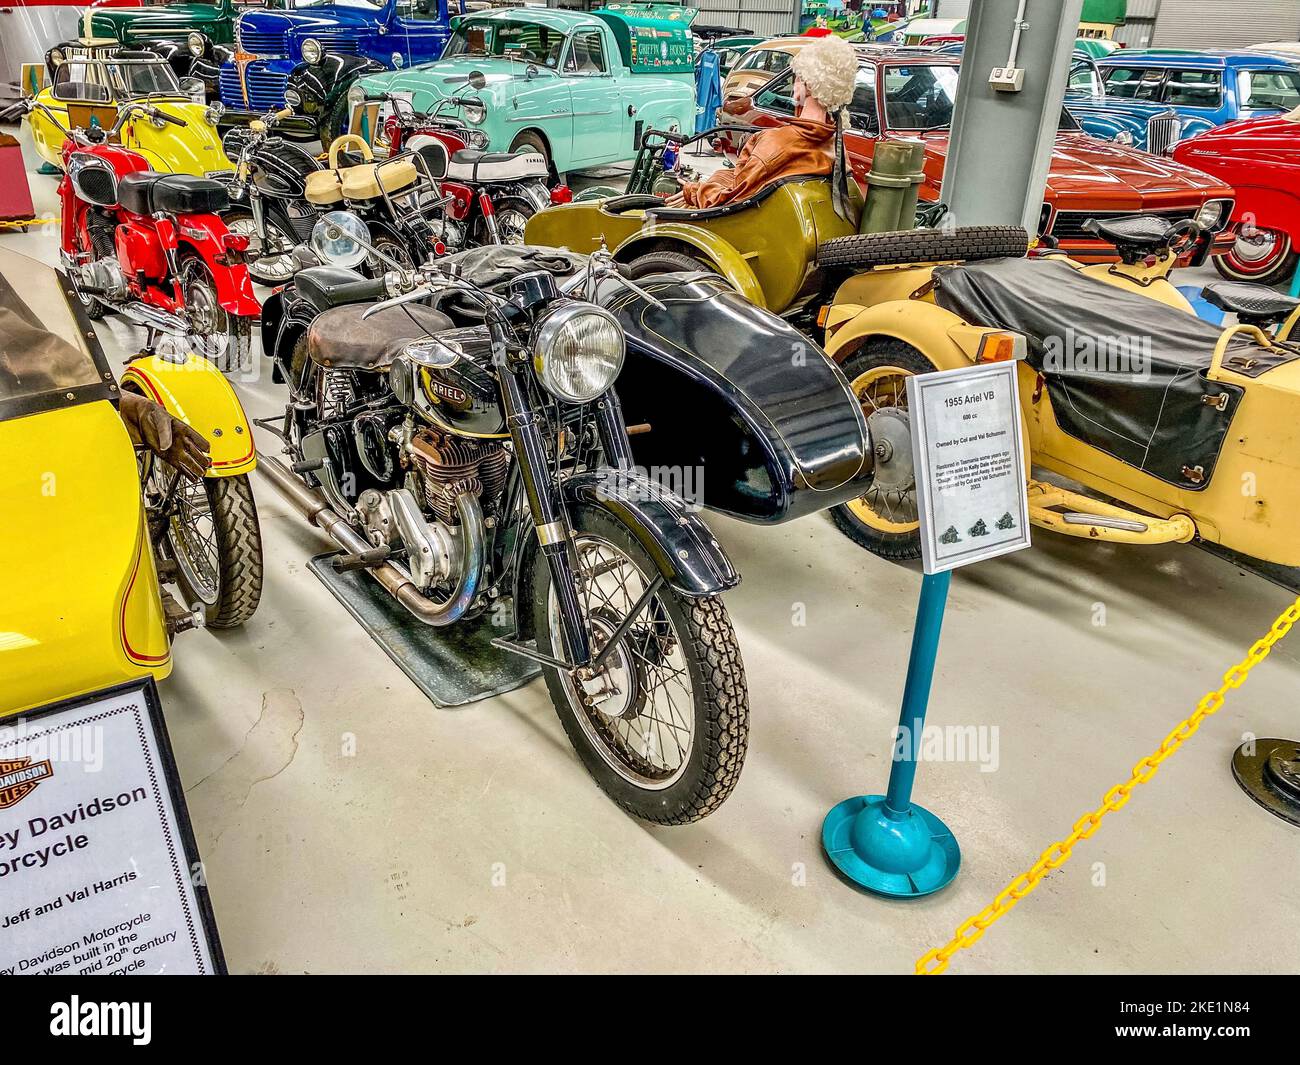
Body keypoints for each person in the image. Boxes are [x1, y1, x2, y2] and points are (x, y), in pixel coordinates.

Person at [665, 34, 858, 211]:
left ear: (807, 84)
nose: (794, 84)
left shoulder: (777, 142)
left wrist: (693, 192)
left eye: (797, 77)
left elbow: (735, 197)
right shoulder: (837, 147)